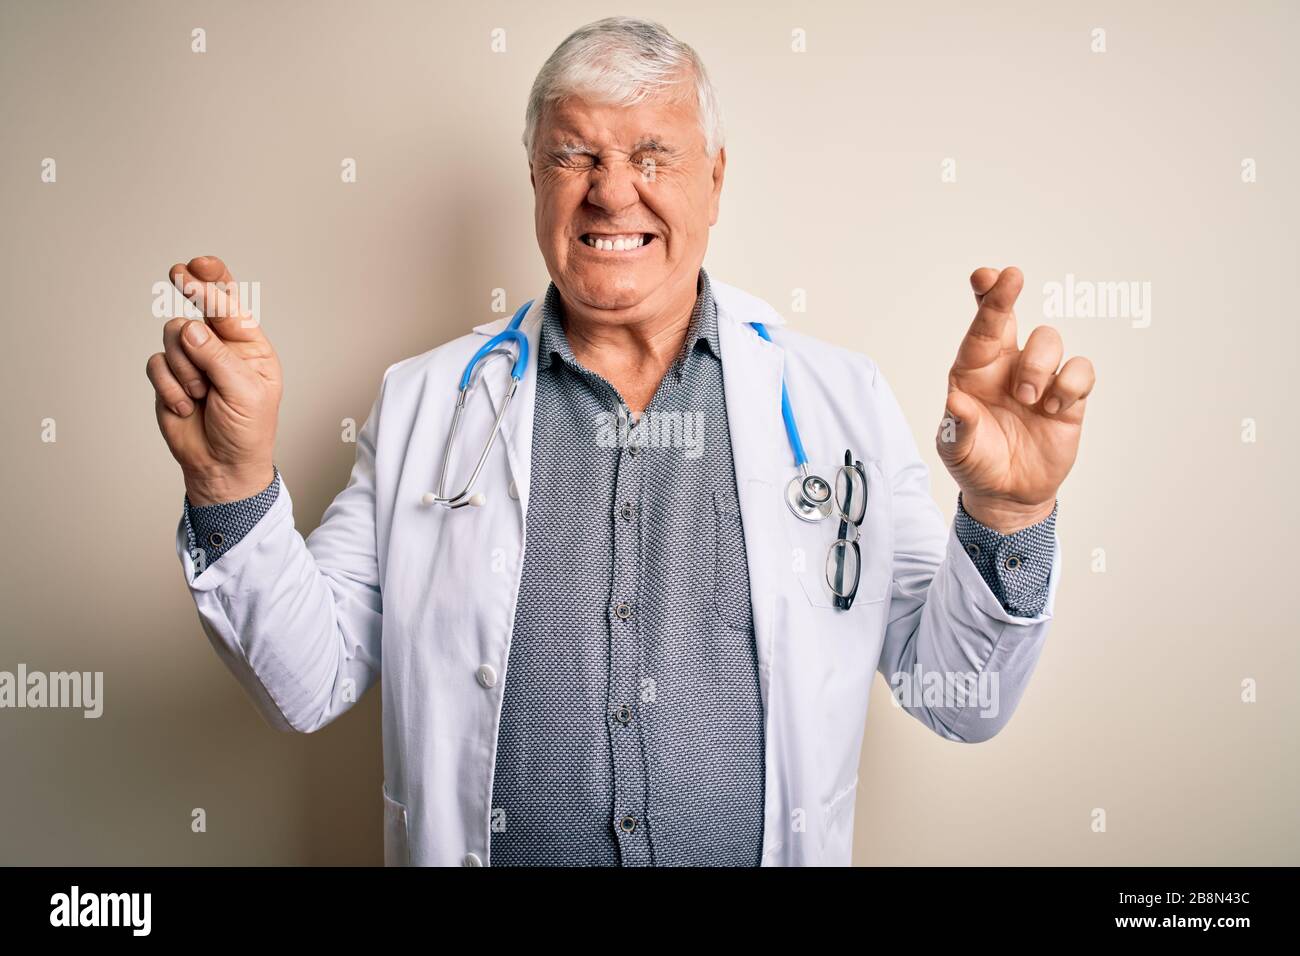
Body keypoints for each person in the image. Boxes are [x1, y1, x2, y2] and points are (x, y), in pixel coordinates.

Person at [146, 16, 1094, 866]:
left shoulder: (836, 402)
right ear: (534, 179)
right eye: (573, 158)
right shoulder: (425, 402)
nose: (612, 194)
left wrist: (1009, 514)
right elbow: (304, 683)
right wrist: (232, 482)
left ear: (715, 179)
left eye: (653, 155)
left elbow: (961, 697)